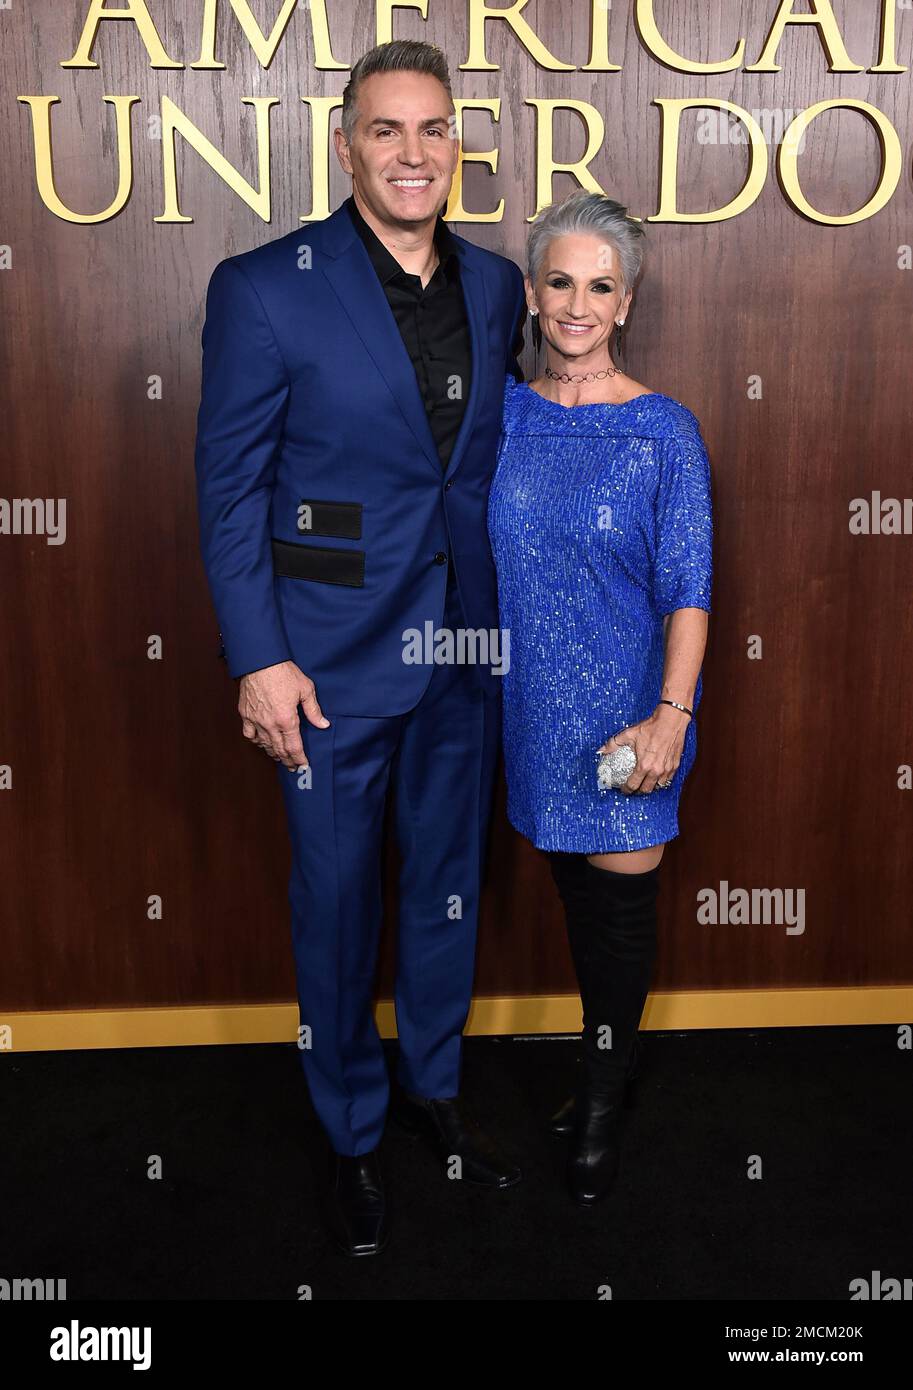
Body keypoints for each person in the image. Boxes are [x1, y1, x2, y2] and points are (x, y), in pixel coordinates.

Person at [194, 39, 527, 1257]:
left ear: (456, 146)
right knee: (336, 906)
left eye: (432, 129)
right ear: (344, 145)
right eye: (386, 130)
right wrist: (256, 657)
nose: (412, 152)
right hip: (324, 667)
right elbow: (230, 492)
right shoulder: (265, 284)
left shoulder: (495, 288)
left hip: (462, 654)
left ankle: (432, 1090)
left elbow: (487, 468)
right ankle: (348, 1130)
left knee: (445, 891)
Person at [487, 190, 713, 1204]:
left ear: (625, 304)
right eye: (560, 282)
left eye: (601, 286)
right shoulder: (500, 416)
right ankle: (600, 1071)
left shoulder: (664, 430)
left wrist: (672, 715)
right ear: (534, 295)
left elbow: (689, 591)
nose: (578, 304)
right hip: (531, 715)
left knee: (618, 922)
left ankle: (604, 1097)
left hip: (628, 716)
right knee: (576, 905)